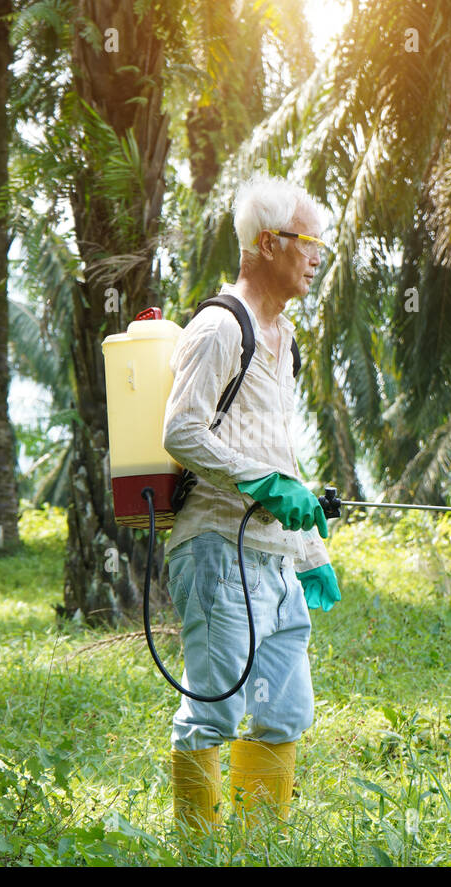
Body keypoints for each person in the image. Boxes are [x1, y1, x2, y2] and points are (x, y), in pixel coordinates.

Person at [161, 174, 342, 838]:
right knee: (213, 711)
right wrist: (264, 488)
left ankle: (259, 851)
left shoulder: (284, 339)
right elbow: (181, 432)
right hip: (216, 551)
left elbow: (280, 457)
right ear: (268, 243)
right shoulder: (218, 326)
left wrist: (311, 554)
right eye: (310, 241)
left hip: (274, 563)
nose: (317, 255)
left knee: (285, 711)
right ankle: (200, 853)